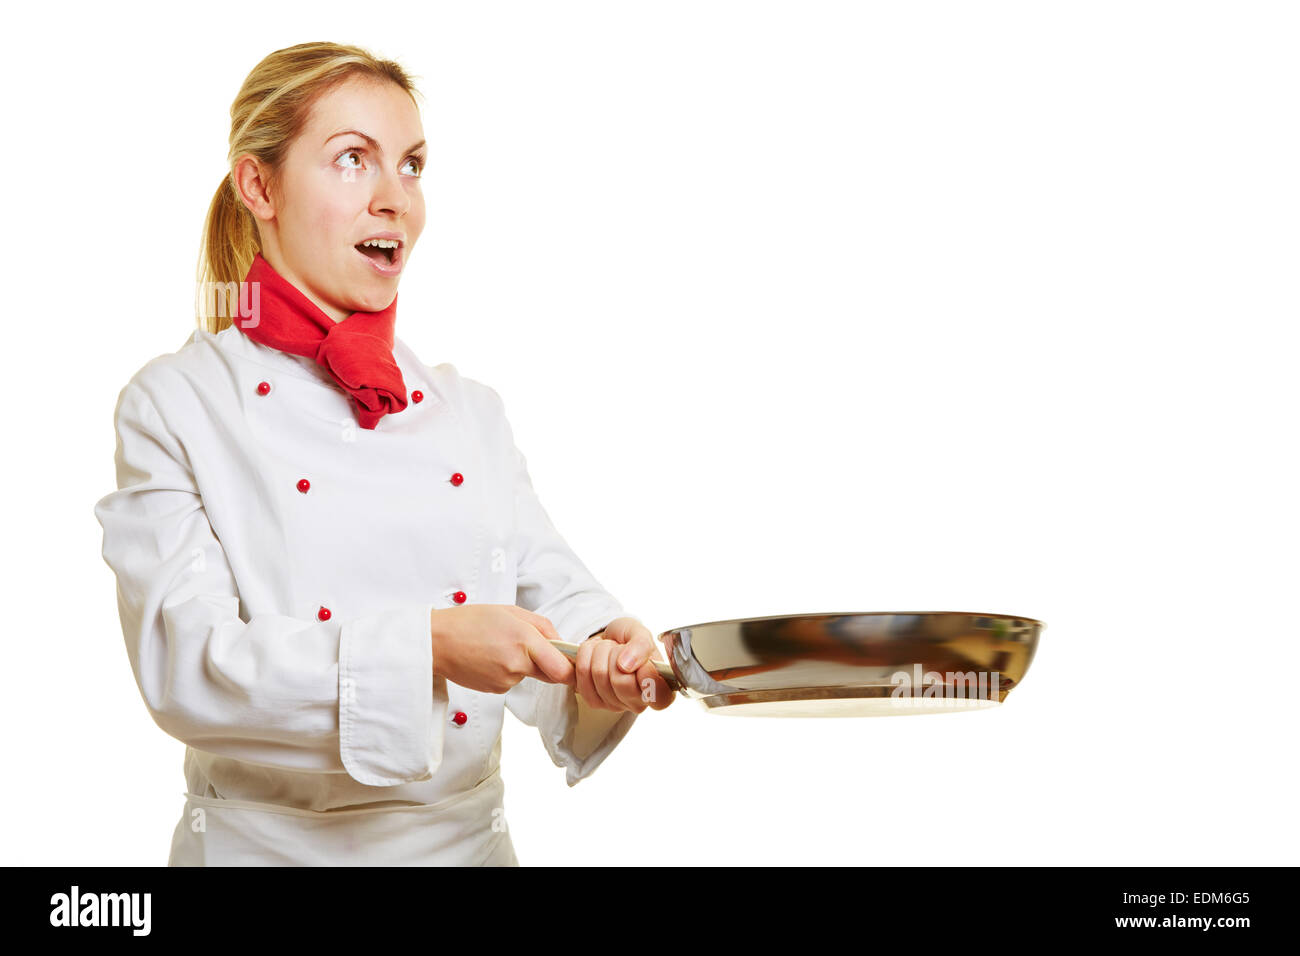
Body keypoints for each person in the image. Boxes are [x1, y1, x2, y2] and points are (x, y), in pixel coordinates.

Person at [92, 41, 674, 866]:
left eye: (411, 166)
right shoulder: (176, 403)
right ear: (259, 186)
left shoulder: (469, 410)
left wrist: (607, 656)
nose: (394, 199)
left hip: (470, 851)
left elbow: (550, 590)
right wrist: (431, 646)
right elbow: (190, 669)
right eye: (353, 161)